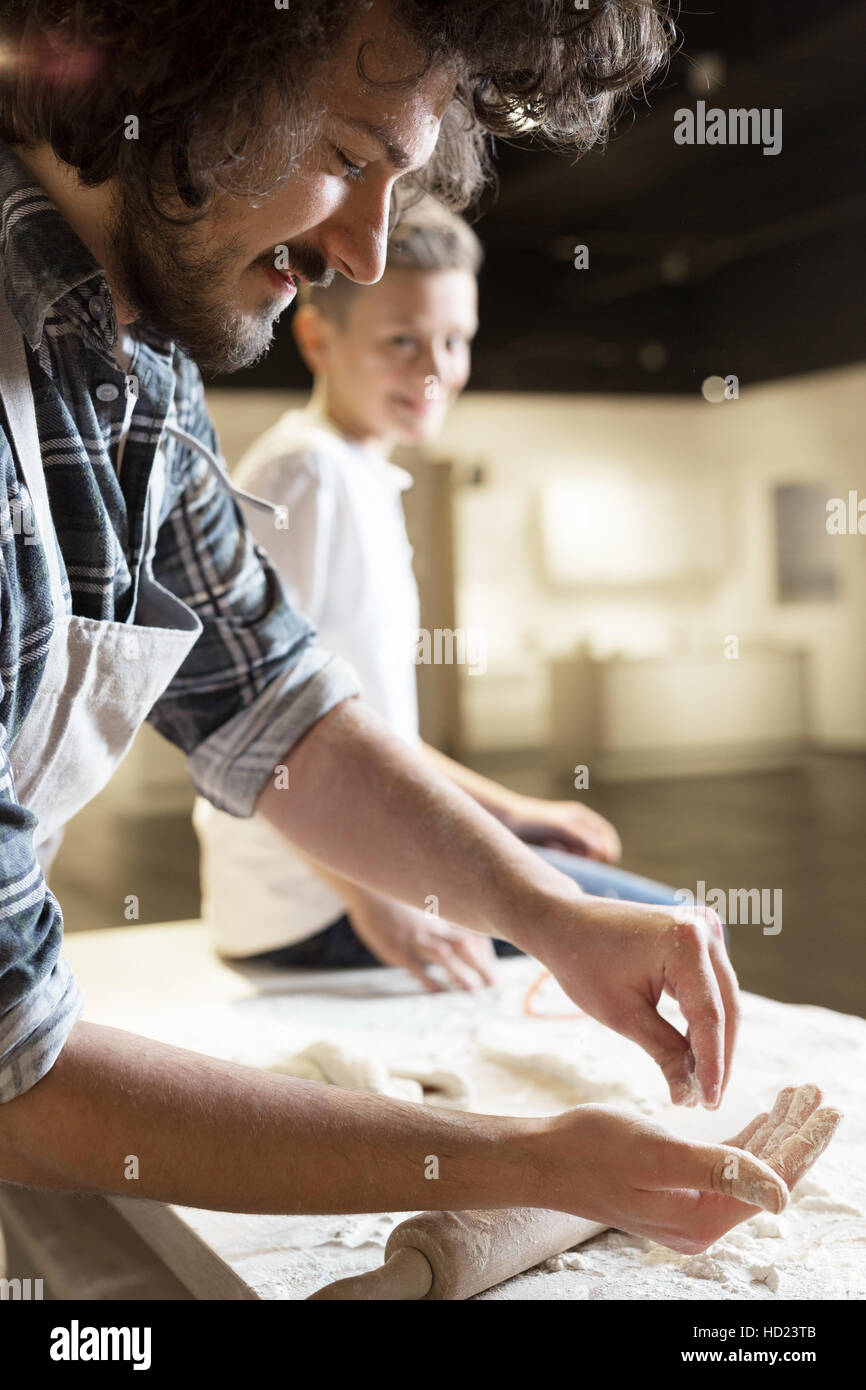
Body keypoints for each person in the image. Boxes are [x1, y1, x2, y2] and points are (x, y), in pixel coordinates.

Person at [0, 0, 834, 1250]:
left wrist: (549, 912)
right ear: (171, 62)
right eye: (344, 156)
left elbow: (280, 711)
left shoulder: (137, 371)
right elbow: (16, 1070)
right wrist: (531, 1161)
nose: (366, 249)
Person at [195, 195, 682, 992]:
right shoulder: (305, 476)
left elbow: (361, 732)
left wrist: (514, 811)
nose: (435, 372)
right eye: (400, 341)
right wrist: (366, 893)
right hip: (309, 915)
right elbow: (242, 717)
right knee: (673, 935)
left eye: (455, 341)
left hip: (351, 873)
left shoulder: (358, 476)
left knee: (653, 919)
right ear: (318, 337)